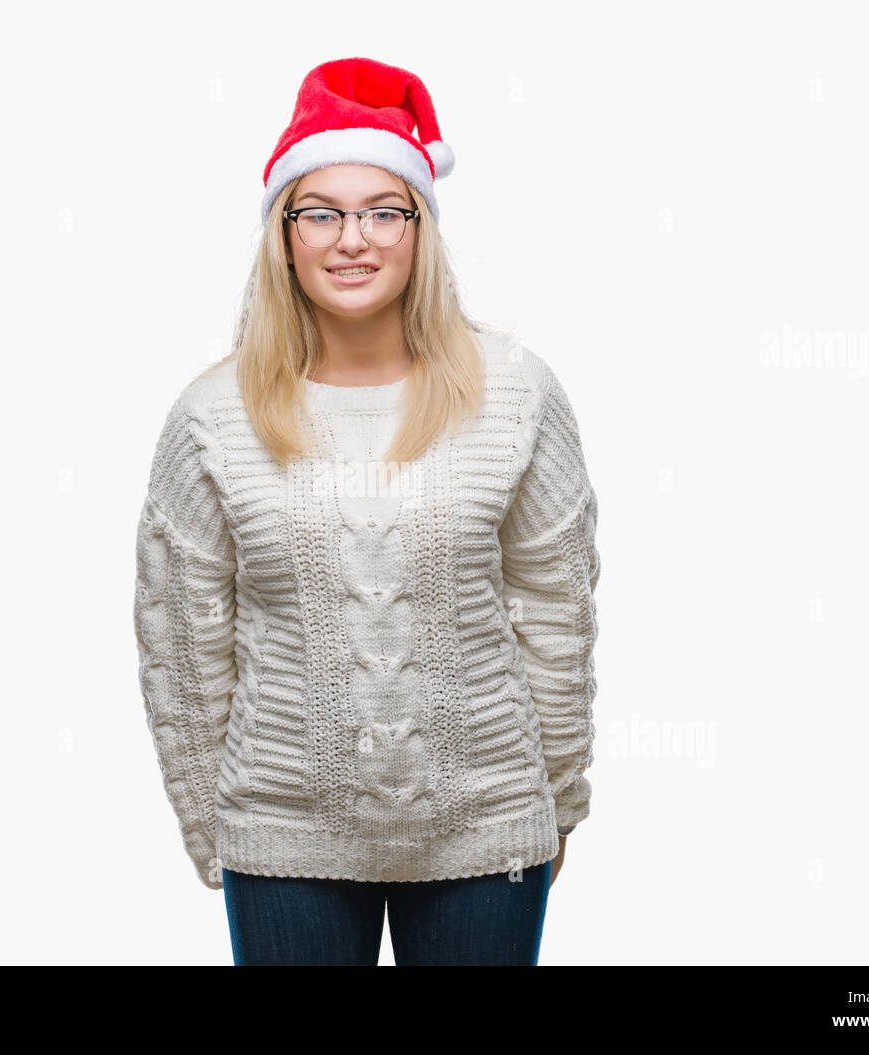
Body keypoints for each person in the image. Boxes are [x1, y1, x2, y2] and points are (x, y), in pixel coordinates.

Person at [132, 57, 600, 966]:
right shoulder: (211, 418)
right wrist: (209, 826)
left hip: (486, 835)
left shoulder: (516, 395)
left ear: (423, 231)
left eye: (386, 210)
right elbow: (184, 648)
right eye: (323, 212)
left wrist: (558, 800)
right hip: (282, 840)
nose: (355, 238)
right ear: (285, 234)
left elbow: (558, 612)